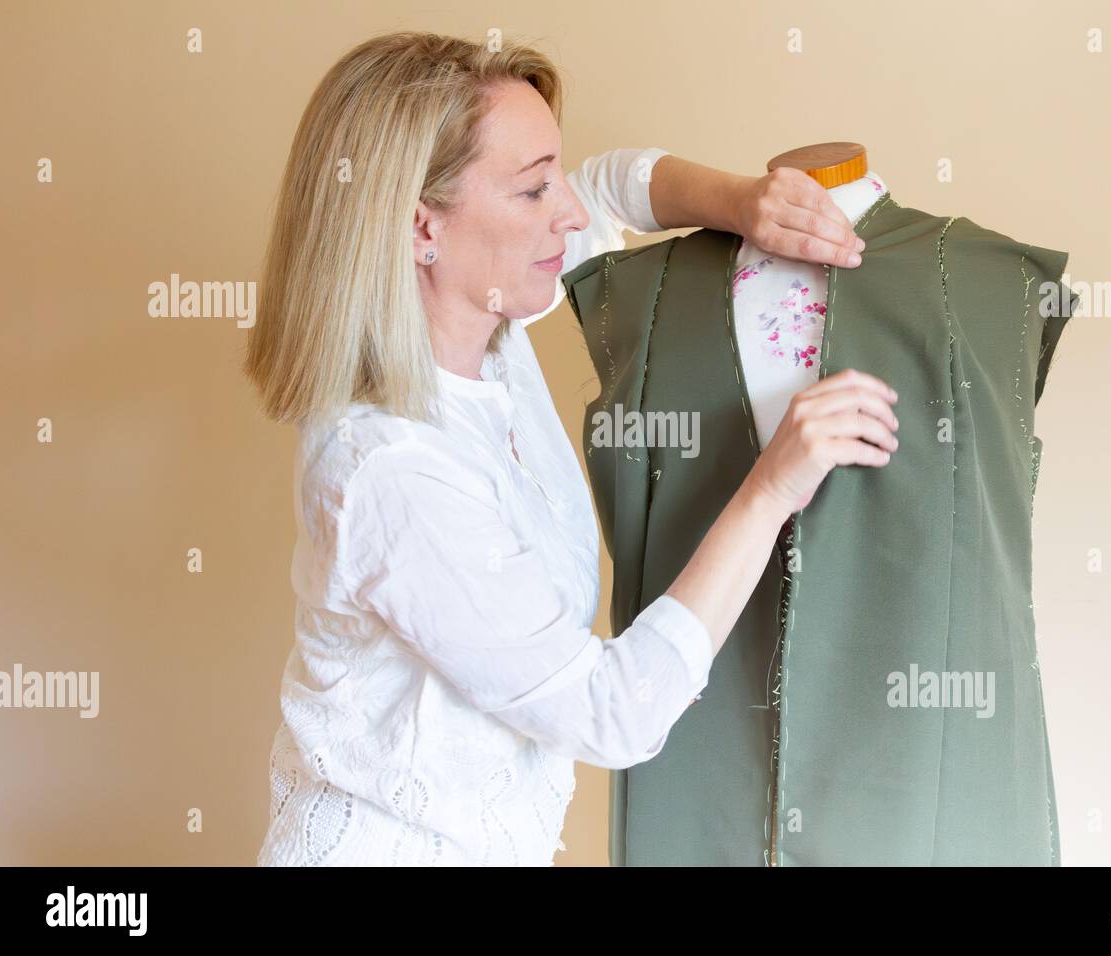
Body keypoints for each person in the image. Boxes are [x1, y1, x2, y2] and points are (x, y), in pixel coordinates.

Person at [244, 31, 899, 865]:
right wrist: (773, 487)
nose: (572, 210)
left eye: (553, 173)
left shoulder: (489, 327)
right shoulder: (392, 470)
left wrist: (743, 202)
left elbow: (612, 185)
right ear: (422, 229)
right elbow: (611, 711)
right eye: (531, 190)